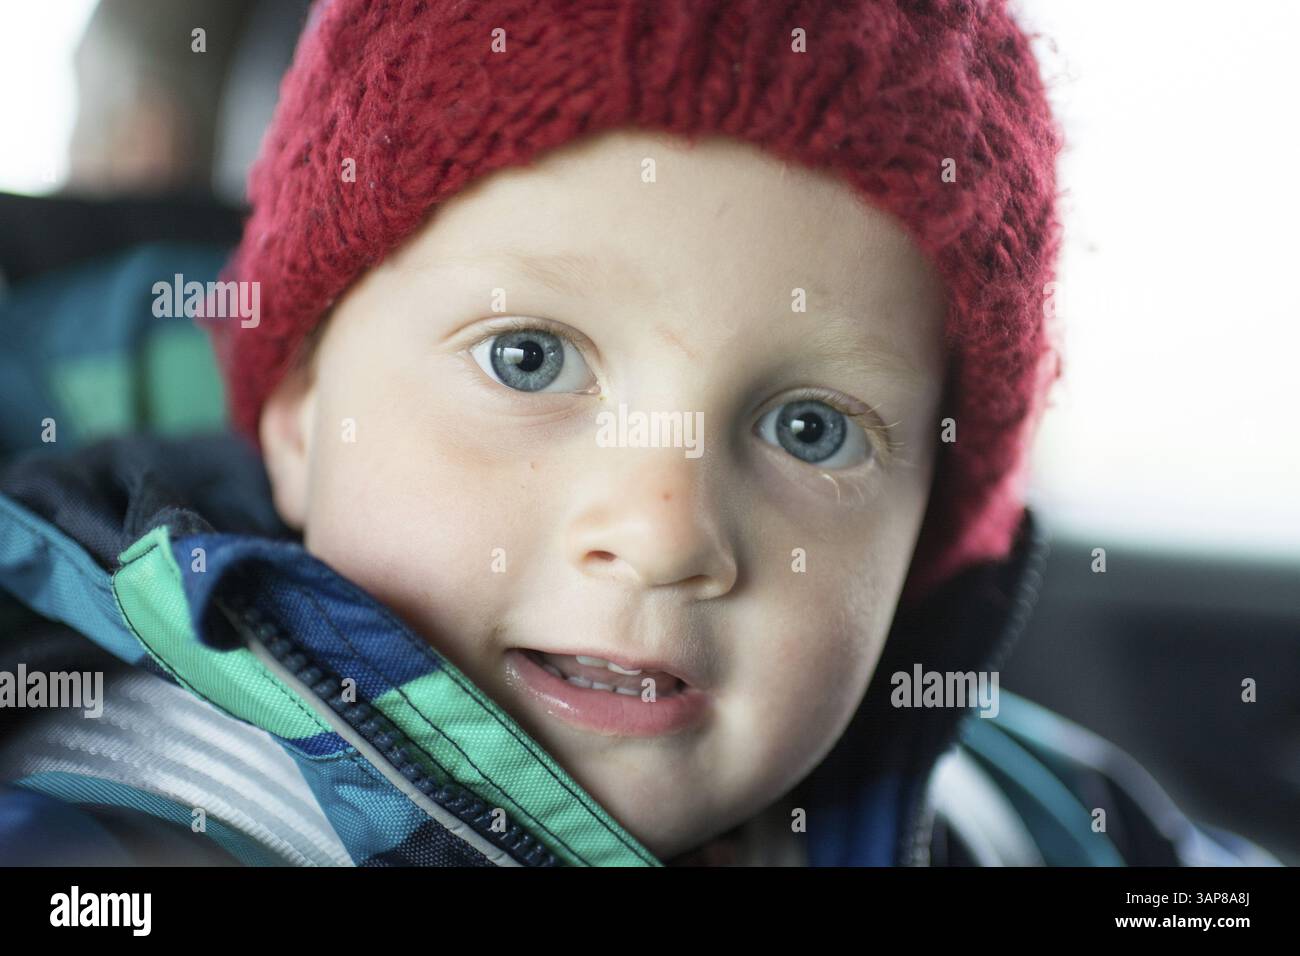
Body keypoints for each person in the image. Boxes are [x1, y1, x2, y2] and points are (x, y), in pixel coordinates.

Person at [0, 0, 1274, 867]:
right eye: (528, 357)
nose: (665, 532)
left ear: (922, 530)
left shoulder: (1014, 809)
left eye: (811, 427)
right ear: (296, 414)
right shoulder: (134, 820)